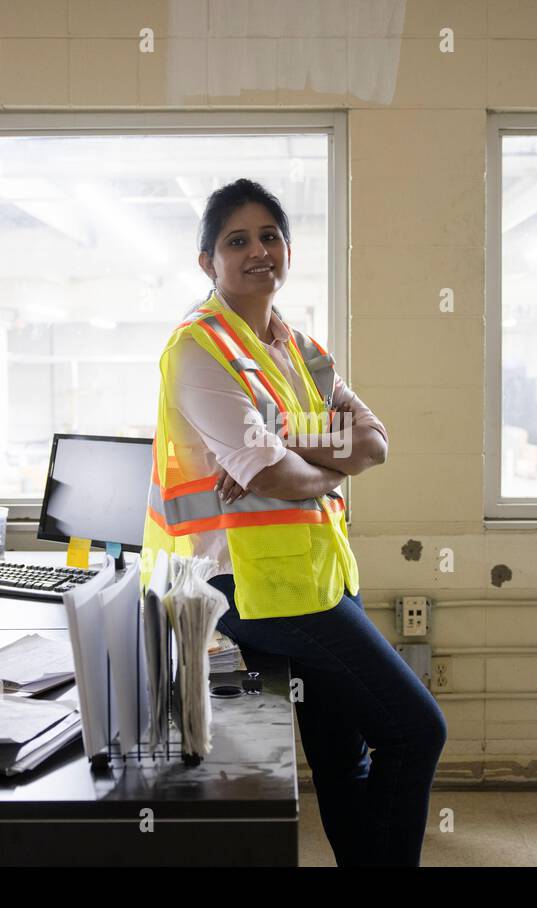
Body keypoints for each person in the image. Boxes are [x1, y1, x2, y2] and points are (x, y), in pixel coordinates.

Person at [140, 178, 447, 866]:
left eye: (270, 235)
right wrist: (314, 463)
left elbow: (375, 441)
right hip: (245, 588)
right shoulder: (199, 348)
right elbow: (271, 471)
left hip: (318, 575)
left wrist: (288, 447)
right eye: (237, 240)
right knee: (417, 730)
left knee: (346, 756)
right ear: (208, 262)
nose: (258, 251)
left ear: (288, 248)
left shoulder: (302, 349)